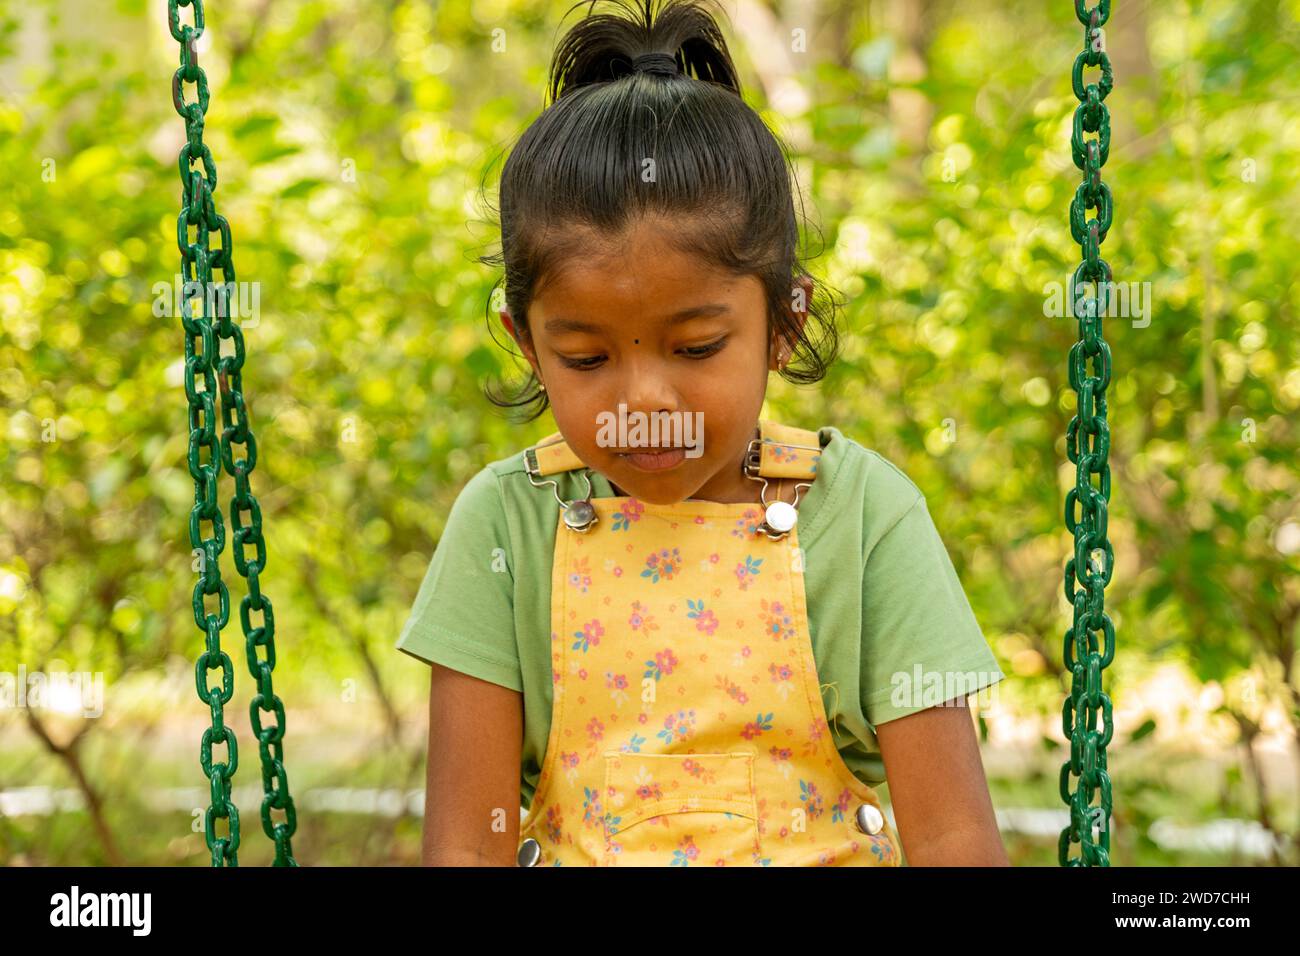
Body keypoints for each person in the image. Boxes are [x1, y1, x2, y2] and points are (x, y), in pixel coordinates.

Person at [396, 0, 1007, 866]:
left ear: (784, 324)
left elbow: (955, 841)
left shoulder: (865, 519)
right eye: (585, 356)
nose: (644, 401)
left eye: (696, 347)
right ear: (526, 343)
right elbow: (465, 849)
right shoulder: (505, 528)